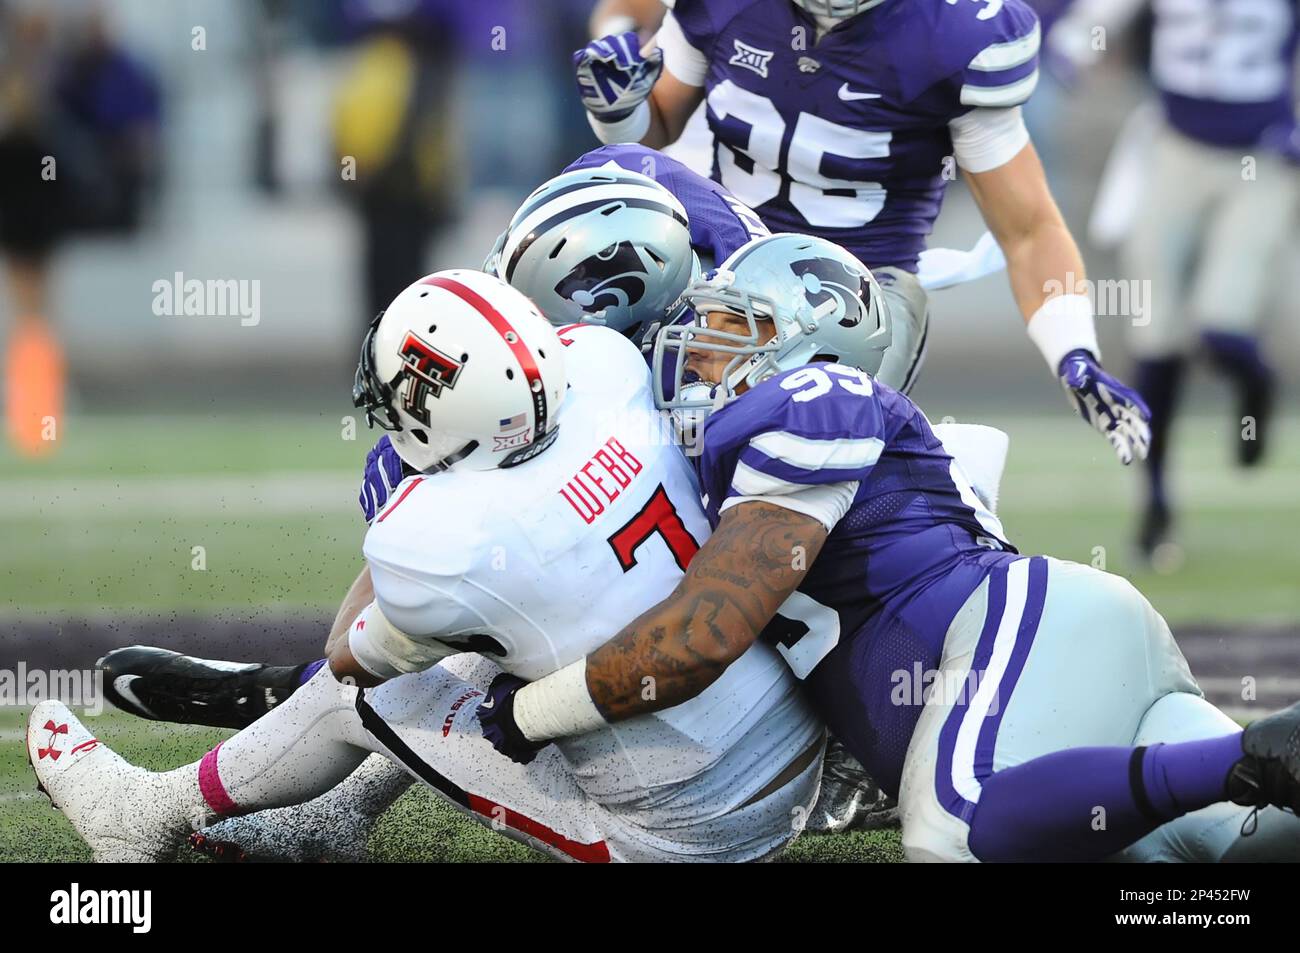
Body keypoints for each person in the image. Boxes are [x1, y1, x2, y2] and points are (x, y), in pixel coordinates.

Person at [476, 233, 1300, 862]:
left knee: (956, 833)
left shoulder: (812, 399)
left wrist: (525, 713)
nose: (697, 346)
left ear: (813, 350)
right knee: (1232, 850)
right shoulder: (724, 447)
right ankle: (1253, 758)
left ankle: (1246, 750)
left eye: (734, 326)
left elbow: (703, 634)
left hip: (1015, 632)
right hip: (1060, 684)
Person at [31, 269, 824, 863]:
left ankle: (146, 814)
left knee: (355, 701)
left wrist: (407, 499)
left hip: (686, 833)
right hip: (795, 750)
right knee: (507, 645)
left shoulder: (446, 541)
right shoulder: (612, 365)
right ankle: (334, 816)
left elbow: (347, 658)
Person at [573, 0, 1152, 465]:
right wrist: (617, 108)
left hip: (856, 298)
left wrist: (1074, 351)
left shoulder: (950, 35)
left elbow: (1027, 229)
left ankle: (930, 506)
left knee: (797, 449)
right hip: (725, 268)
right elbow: (658, 123)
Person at [1051, 0, 1299, 561]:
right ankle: (1155, 502)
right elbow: (1091, 24)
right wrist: (1068, 52)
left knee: (1223, 325)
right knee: (1155, 338)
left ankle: (1255, 382)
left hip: (1260, 160)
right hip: (1172, 149)